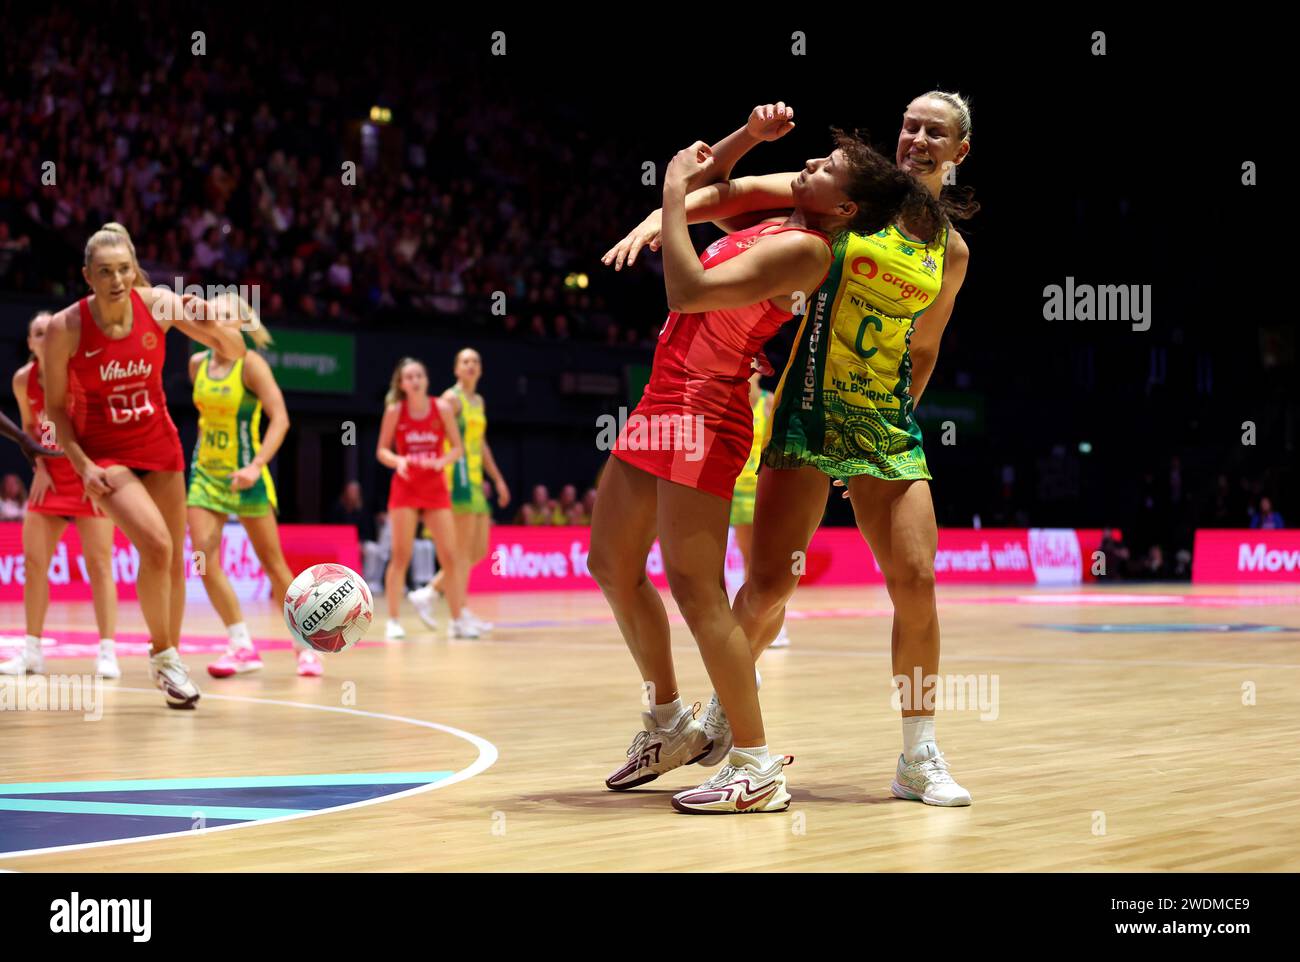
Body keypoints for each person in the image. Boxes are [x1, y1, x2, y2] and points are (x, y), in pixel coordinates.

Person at [605, 91, 978, 807]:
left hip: (885, 426)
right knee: (770, 586)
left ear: (959, 153)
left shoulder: (950, 252)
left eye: (935, 131)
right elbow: (739, 191)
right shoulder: (852, 194)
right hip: (807, 416)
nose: (916, 137)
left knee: (918, 580)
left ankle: (919, 754)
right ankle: (721, 719)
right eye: (909, 125)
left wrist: (895, 425)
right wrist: (664, 212)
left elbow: (924, 348)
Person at [42, 222, 247, 708]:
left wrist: (211, 321)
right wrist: (81, 465)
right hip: (105, 456)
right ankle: (162, 654)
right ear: (87, 276)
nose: (116, 279)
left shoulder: (156, 304)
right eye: (105, 271)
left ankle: (170, 663)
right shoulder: (65, 328)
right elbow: (54, 410)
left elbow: (234, 351)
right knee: (155, 545)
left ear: (136, 271)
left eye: (125, 269)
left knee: (174, 559)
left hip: (161, 447)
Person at [186, 294, 323, 678]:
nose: (221, 320)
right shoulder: (196, 364)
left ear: (242, 325)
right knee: (202, 558)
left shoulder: (252, 365)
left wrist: (256, 465)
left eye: (230, 316)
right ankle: (241, 645)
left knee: (274, 566)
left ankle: (305, 645)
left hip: (247, 476)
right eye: (217, 314)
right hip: (205, 475)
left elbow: (280, 420)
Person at [1, 312, 120, 679]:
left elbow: (100, 426)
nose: (47, 337)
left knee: (99, 565)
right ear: (31, 343)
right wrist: (39, 469)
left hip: (86, 474)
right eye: (39, 333)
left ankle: (107, 651)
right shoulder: (23, 380)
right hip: (50, 479)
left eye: (52, 332)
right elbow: (28, 431)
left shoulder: (80, 373)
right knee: (34, 565)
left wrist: (91, 471)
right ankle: (32, 652)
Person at [409, 348, 510, 633]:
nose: (471, 365)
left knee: (478, 551)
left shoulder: (478, 401)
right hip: (457, 482)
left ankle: (429, 593)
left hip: (476, 481)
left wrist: (499, 479)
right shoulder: (451, 399)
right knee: (461, 553)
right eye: (465, 361)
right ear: (456, 369)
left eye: (476, 361)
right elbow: (430, 427)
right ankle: (458, 616)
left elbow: (482, 444)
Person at [376, 357, 475, 639]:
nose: (415, 380)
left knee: (451, 557)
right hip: (405, 488)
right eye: (410, 377)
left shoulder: (441, 408)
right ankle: (393, 620)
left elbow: (457, 448)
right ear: (402, 384)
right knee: (400, 556)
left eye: (420, 375)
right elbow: (382, 450)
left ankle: (457, 621)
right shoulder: (395, 410)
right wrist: (398, 461)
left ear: (426, 380)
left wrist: (441, 461)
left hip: (434, 487)